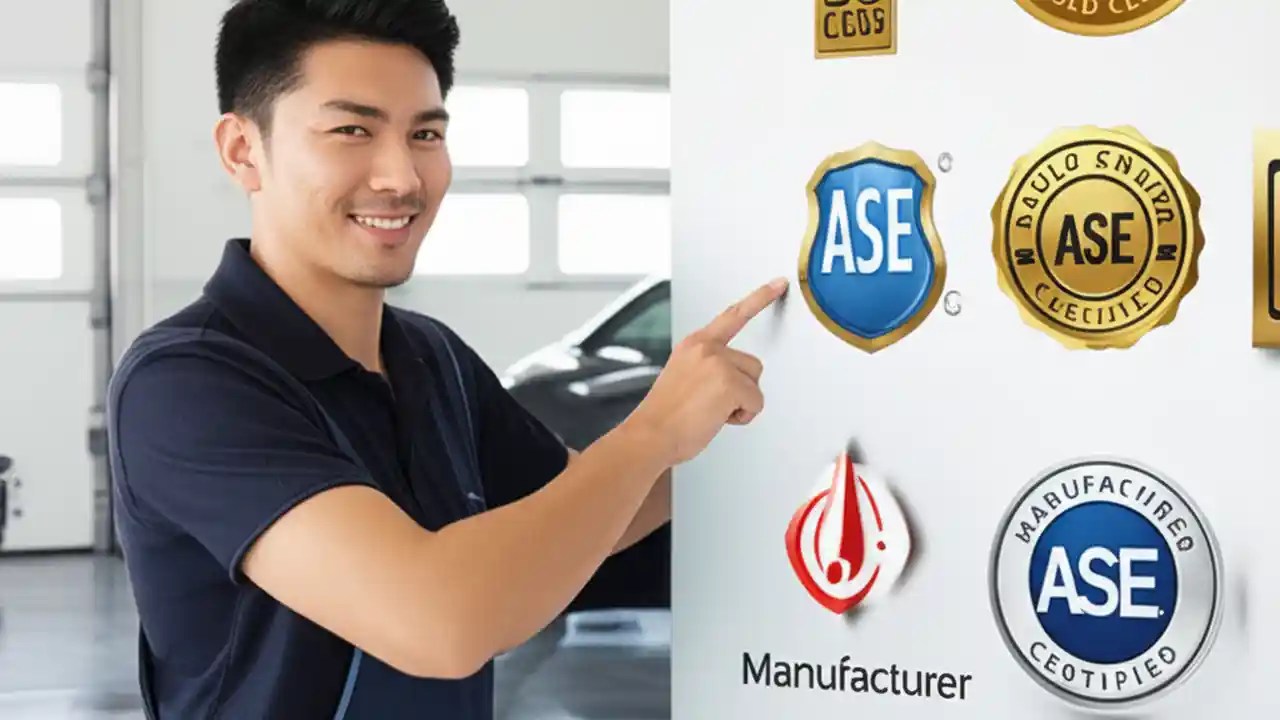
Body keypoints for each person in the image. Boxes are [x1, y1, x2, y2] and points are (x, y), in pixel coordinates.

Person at [105, 0, 788, 718]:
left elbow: (597, 510)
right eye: (352, 130)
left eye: (425, 133)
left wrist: (792, 408)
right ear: (244, 150)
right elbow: (440, 624)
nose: (402, 176)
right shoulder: (187, 382)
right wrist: (653, 430)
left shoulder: (431, 359)